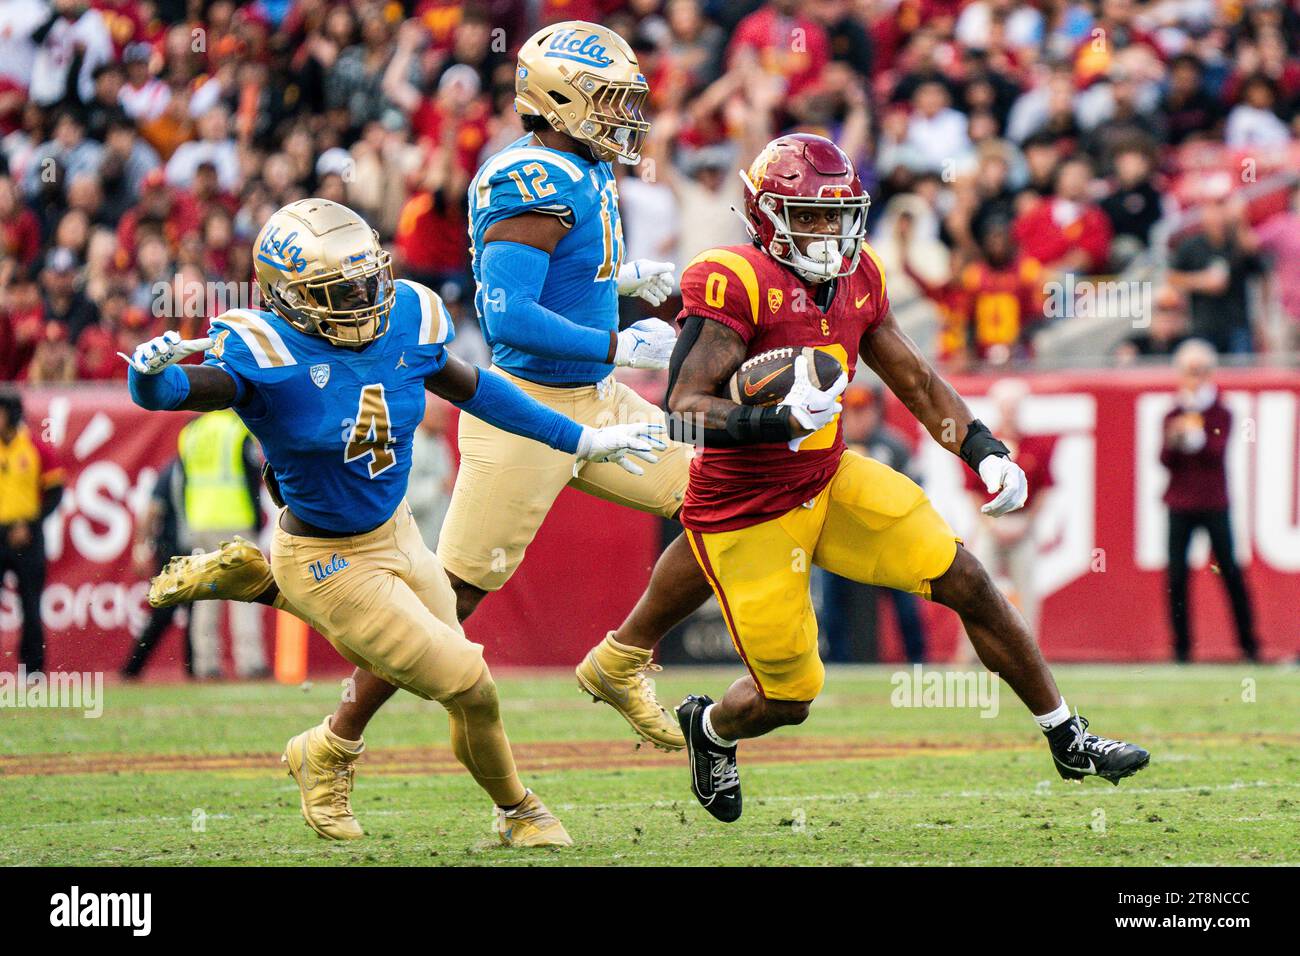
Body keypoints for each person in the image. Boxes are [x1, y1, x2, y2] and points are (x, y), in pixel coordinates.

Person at [149, 22, 711, 764]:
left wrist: (618, 278)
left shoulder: (584, 165)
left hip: (600, 398)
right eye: (607, 100)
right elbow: (510, 315)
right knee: (448, 612)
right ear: (558, 99)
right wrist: (617, 341)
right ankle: (331, 738)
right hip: (527, 411)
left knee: (722, 497)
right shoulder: (530, 178)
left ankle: (621, 659)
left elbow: (556, 273)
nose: (624, 115)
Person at [123, 196, 663, 846]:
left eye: (368, 279)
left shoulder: (407, 316)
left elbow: (478, 388)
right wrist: (146, 377)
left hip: (396, 532)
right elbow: (179, 390)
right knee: (470, 683)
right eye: (340, 290)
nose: (364, 298)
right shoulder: (266, 354)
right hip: (326, 559)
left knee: (438, 666)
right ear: (290, 299)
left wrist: (576, 440)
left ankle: (319, 738)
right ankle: (519, 810)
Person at [657, 134, 1148, 822]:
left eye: (838, 215)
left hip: (828, 481)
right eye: (811, 215)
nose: (829, 232)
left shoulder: (861, 278)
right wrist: (774, 421)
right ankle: (710, 731)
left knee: (967, 576)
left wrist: (983, 448)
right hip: (748, 509)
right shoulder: (732, 280)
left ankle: (1068, 736)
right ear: (766, 214)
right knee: (789, 698)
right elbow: (678, 415)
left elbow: (916, 380)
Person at [1160, 339, 1258, 663]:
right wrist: (1178, 438)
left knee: (1229, 571)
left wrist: (1193, 435)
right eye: (1190, 371)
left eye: (1201, 370)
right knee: (1176, 577)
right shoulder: (1174, 412)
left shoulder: (1221, 411)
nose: (1196, 377)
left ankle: (1248, 645)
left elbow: (1215, 453)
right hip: (1180, 502)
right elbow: (1164, 458)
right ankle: (1181, 648)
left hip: (1214, 502)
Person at [959, 378, 1056, 651]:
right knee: (975, 588)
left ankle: (1028, 653)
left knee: (1027, 592)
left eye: (1014, 405)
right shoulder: (984, 445)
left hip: (1021, 523)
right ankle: (971, 651)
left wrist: (1026, 523)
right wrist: (988, 525)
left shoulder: (1035, 445)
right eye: (1006, 406)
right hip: (991, 522)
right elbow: (972, 490)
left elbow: (1044, 490)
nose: (1010, 411)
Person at [174, 409, 268, 680]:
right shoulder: (237, 430)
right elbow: (253, 480)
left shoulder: (190, 432)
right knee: (246, 592)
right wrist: (256, 519)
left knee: (206, 593)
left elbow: (183, 482)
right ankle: (249, 661)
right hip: (234, 518)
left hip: (199, 520)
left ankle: (205, 663)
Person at [0, 389, 64, 677]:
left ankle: (33, 672)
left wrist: (31, 523)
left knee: (31, 605)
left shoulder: (36, 448)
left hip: (27, 535)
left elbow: (54, 491)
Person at [121, 457, 193, 679]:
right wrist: (141, 549)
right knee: (165, 612)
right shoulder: (175, 470)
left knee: (196, 612)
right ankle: (133, 667)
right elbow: (152, 511)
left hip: (197, 550)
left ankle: (195, 668)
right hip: (174, 553)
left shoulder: (184, 468)